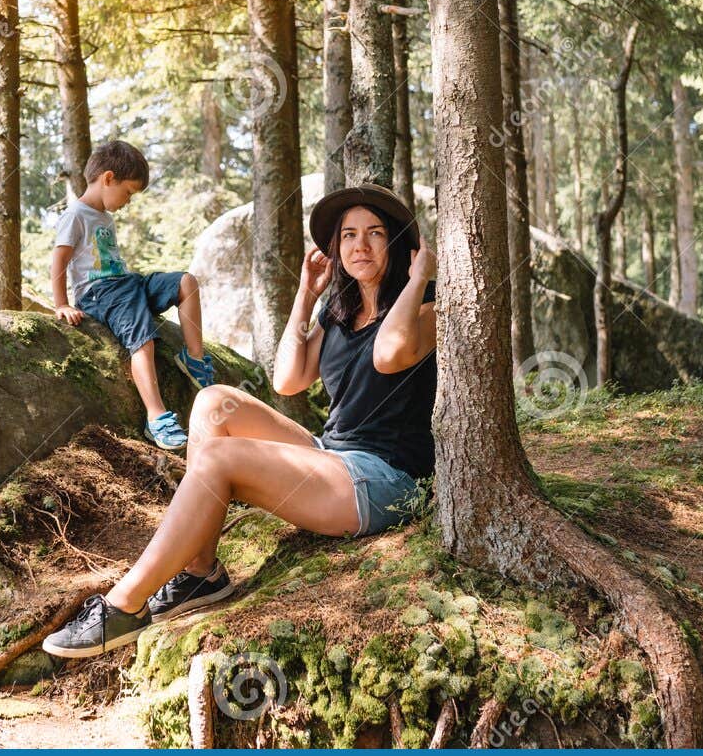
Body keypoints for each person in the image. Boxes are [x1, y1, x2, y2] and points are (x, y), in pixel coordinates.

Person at [43, 183, 436, 658]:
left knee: (220, 458)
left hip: (384, 478)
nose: (361, 245)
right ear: (335, 249)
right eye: (349, 235)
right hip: (331, 455)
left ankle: (123, 605)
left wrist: (417, 281)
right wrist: (305, 294)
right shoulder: (340, 309)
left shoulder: (426, 305)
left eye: (375, 234)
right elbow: (288, 380)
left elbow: (391, 353)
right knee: (213, 400)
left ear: (398, 244)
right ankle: (200, 574)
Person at [52, 140, 217, 451]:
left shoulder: (104, 217)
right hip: (100, 294)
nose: (128, 201)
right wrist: (62, 304)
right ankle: (156, 418)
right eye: (128, 192)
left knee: (186, 282)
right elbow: (59, 260)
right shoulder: (76, 214)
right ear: (108, 178)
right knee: (143, 338)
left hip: (127, 285)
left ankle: (194, 359)